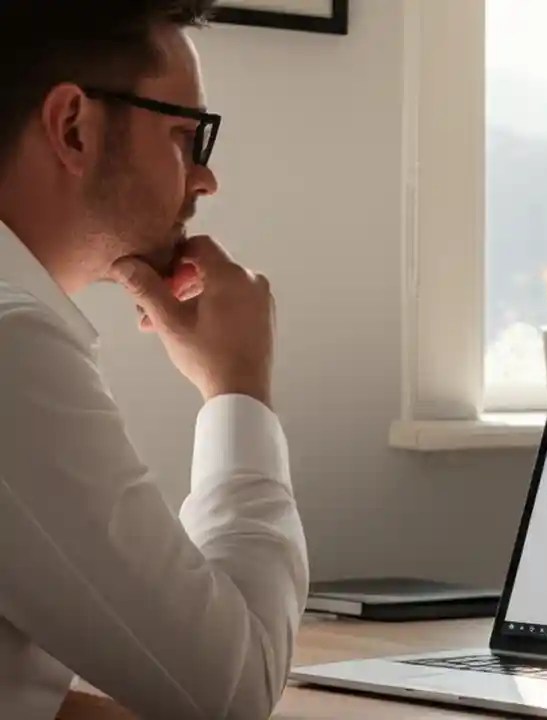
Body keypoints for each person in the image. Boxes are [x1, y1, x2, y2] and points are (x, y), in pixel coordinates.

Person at [0, 2, 308, 718]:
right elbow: (231, 690)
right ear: (73, 128)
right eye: (185, 136)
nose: (205, 180)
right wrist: (237, 386)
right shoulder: (13, 352)